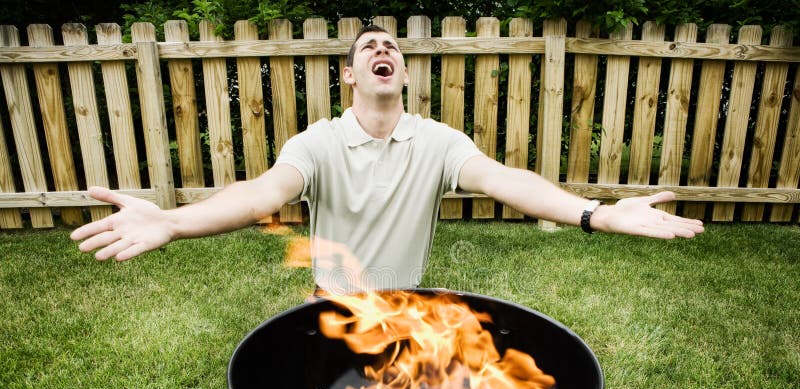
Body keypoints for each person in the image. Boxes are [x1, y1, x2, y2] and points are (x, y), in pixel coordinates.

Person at [71, 25, 704, 294]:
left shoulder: (437, 141)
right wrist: (174, 220)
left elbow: (506, 180)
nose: (384, 50)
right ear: (349, 75)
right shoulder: (316, 143)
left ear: (401, 70)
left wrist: (595, 214)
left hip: (408, 307)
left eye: (392, 47)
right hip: (334, 308)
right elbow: (264, 194)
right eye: (370, 47)